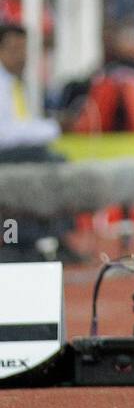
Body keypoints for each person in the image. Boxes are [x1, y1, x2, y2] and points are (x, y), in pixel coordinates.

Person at [0, 23, 79, 262]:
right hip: (6, 153)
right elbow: (5, 134)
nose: (22, 57)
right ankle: (29, 238)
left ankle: (51, 237)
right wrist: (55, 128)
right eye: (14, 49)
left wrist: (51, 126)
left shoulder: (15, 84)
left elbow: (21, 125)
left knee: (56, 161)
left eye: (24, 50)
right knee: (50, 163)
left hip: (15, 152)